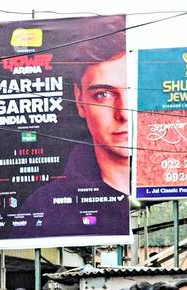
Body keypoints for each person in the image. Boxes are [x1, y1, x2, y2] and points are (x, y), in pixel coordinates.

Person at [20, 36, 130, 237]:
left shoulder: (177, 182)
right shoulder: (43, 207)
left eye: (134, 93)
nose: (123, 113)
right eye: (104, 94)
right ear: (79, 100)